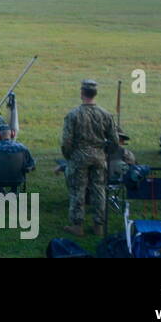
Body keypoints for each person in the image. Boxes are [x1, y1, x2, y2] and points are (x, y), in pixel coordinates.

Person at [60, 79, 119, 237]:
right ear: (95, 94)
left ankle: (77, 225)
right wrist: (106, 153)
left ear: (82, 93)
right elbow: (114, 140)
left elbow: (66, 141)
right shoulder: (105, 114)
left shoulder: (73, 115)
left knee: (77, 190)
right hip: (99, 156)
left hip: (79, 157)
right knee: (99, 189)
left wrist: (69, 156)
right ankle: (98, 225)